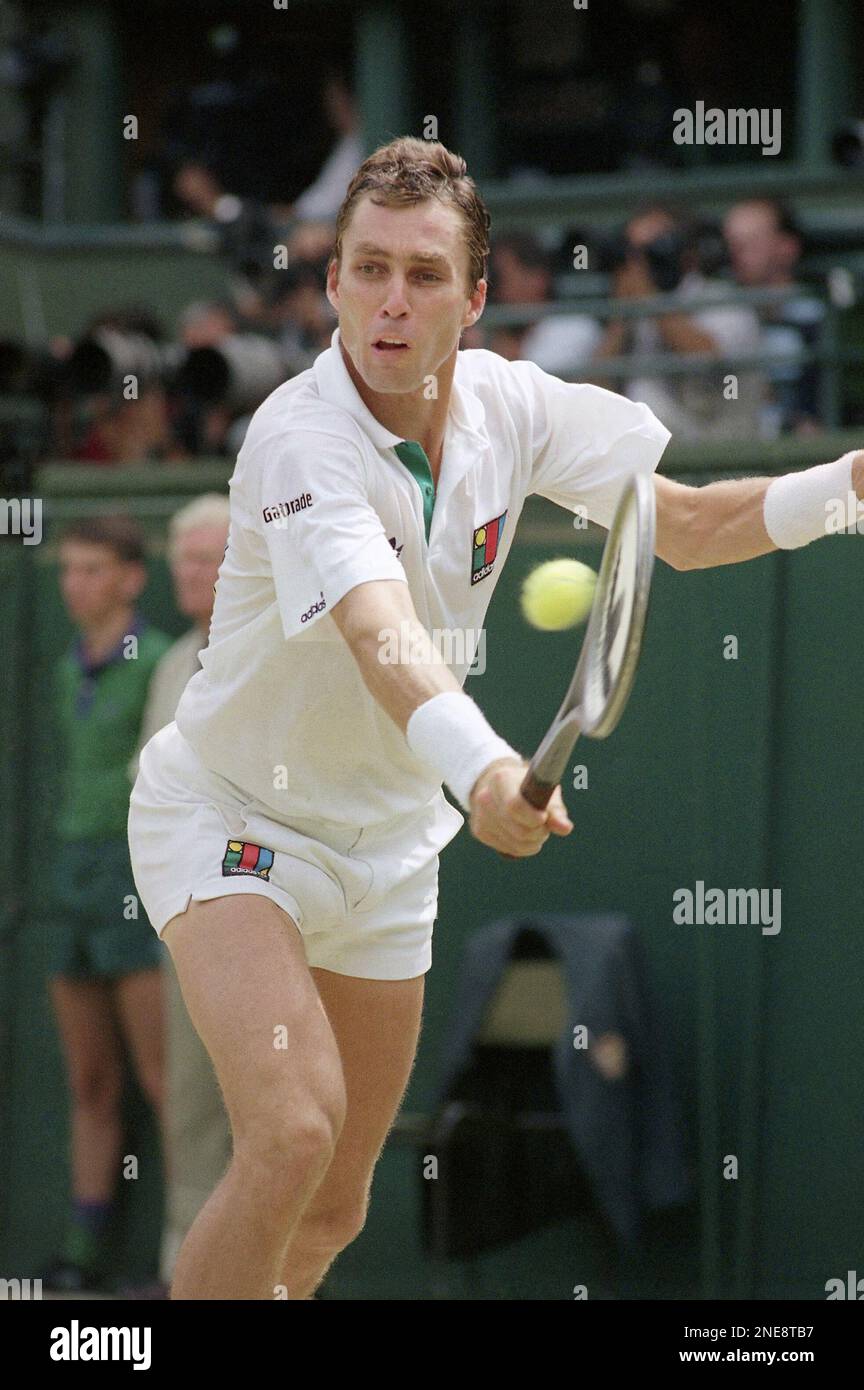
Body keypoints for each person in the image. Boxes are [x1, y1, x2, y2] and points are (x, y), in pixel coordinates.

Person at [127, 137, 864, 1301]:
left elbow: (678, 526)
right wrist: (481, 772)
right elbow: (381, 636)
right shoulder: (297, 438)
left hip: (385, 849)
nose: (390, 301)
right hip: (231, 820)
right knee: (293, 1131)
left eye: (424, 275)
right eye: (367, 269)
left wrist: (846, 491)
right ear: (330, 283)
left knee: (332, 1211)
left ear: (475, 297)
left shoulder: (516, 409)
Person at [41, 515, 172, 1293]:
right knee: (90, 1081)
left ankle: (182, 1259)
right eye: (67, 570)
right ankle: (80, 1260)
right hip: (70, 880)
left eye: (93, 570)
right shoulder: (66, 669)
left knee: (162, 1081)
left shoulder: (157, 662)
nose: (75, 584)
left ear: (130, 577)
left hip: (133, 878)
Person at [127, 495, 232, 1294]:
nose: (195, 574)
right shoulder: (167, 665)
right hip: (185, 919)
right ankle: (186, 1273)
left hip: (276, 913)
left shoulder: (274, 650)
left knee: (282, 1106)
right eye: (186, 560)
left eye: (212, 557)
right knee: (193, 1102)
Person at [592, 205, 764, 440]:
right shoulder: (631, 308)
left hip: (720, 452)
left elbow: (706, 357)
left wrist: (650, 299)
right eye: (630, 254)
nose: (639, 265)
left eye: (652, 250)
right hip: (653, 456)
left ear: (687, 252)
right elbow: (594, 389)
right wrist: (621, 318)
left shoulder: (722, 300)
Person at [723, 197, 825, 436]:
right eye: (731, 243)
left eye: (751, 242)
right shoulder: (718, 313)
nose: (736, 253)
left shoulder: (818, 316)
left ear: (787, 247)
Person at [485, 231, 600, 375]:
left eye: (501, 279)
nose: (496, 292)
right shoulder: (493, 334)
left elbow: (533, 386)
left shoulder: (574, 327)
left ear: (538, 279)